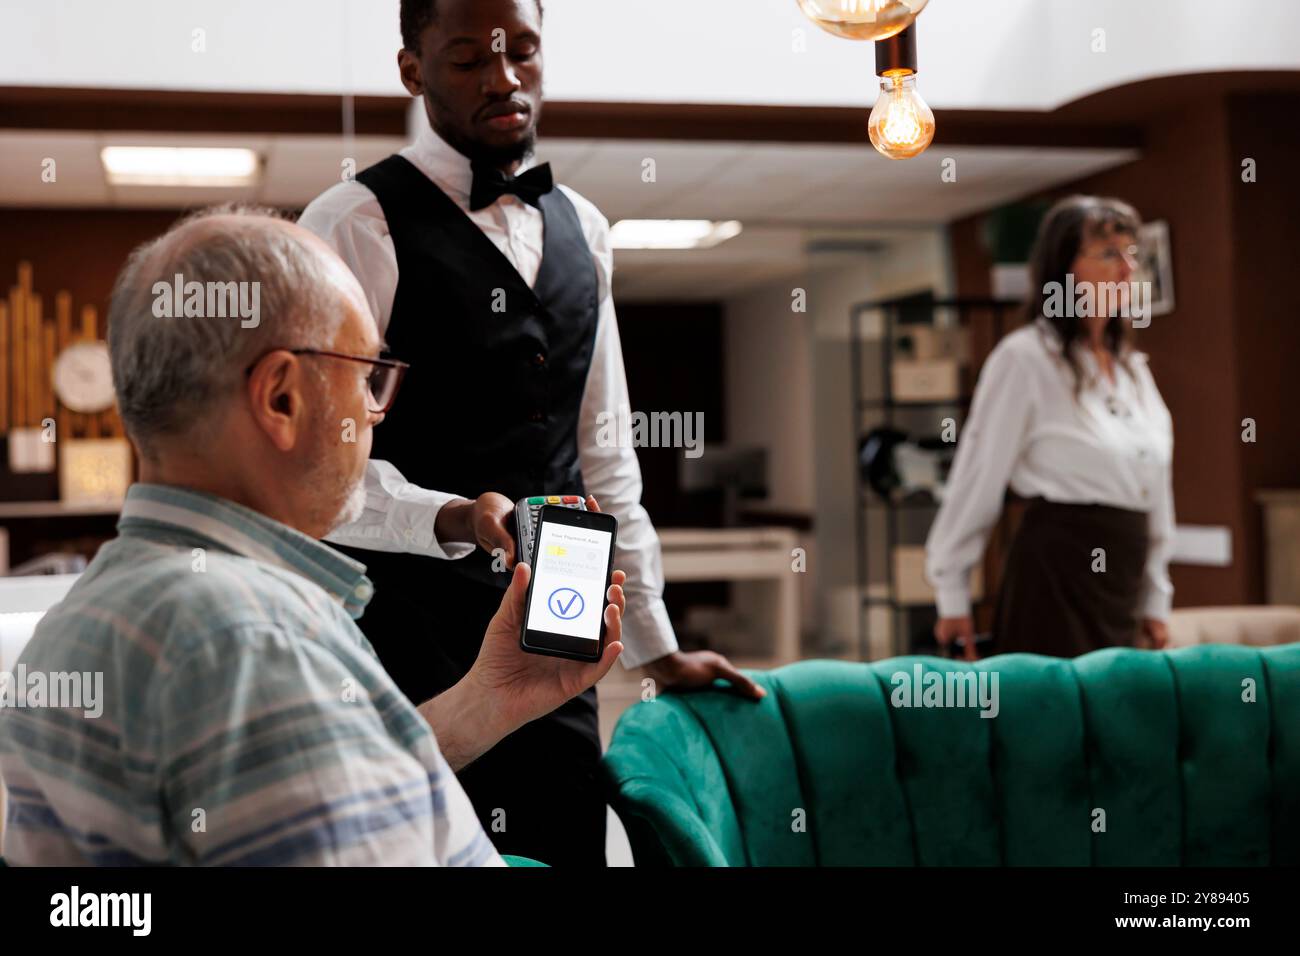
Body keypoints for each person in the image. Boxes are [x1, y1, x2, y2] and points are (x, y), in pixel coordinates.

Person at [0, 207, 627, 866]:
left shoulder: (85, 613)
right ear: (282, 399)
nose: (375, 411)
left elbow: (327, 776)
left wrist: (487, 701)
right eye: (365, 377)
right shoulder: (257, 646)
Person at [299, 0, 763, 866]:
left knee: (564, 837)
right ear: (413, 72)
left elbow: (605, 454)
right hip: (406, 632)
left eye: (521, 51)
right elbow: (318, 477)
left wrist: (658, 650)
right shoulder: (351, 224)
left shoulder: (584, 226)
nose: (504, 77)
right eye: (470, 57)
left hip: (564, 612)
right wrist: (451, 516)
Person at [925, 195, 1175, 660]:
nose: (1126, 268)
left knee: (1121, 723)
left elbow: (1155, 494)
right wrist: (952, 592)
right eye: (1107, 253)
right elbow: (977, 478)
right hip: (1056, 579)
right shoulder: (1024, 359)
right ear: (1064, 269)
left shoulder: (1134, 371)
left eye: (1131, 253)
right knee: (1051, 725)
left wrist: (1156, 596)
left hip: (1122, 581)